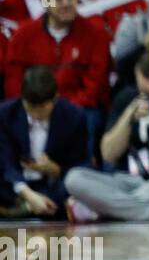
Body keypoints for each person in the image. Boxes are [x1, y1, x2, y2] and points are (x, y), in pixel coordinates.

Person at [63, 51, 149, 222]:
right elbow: (108, 154)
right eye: (146, 92)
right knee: (74, 178)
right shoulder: (123, 99)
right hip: (125, 179)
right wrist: (128, 116)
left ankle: (104, 210)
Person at [5, 0, 112, 131]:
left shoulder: (96, 35)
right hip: (33, 109)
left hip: (79, 109)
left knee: (90, 120)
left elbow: (95, 87)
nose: (66, 3)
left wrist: (61, 111)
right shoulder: (23, 36)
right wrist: (35, 109)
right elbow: (14, 84)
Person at [0, 66, 89, 218]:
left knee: (77, 182)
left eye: (41, 108)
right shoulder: (5, 114)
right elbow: (5, 161)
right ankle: (28, 205)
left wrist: (56, 170)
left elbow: (81, 163)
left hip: (54, 186)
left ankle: (28, 209)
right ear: (22, 99)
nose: (35, 114)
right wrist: (27, 194)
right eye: (30, 108)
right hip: (16, 185)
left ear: (55, 98)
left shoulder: (74, 116)